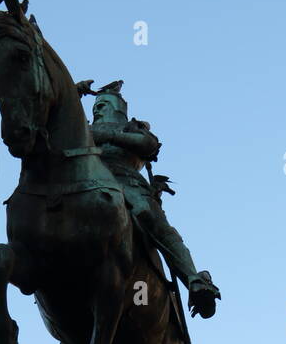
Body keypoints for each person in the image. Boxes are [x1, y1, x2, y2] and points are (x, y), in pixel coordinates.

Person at [82, 81, 220, 319]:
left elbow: (147, 145)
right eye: (97, 106)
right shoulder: (79, 127)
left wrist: (104, 134)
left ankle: (195, 280)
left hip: (125, 182)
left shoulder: (133, 128)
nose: (99, 109)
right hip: (86, 182)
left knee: (150, 216)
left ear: (119, 108)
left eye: (105, 104)